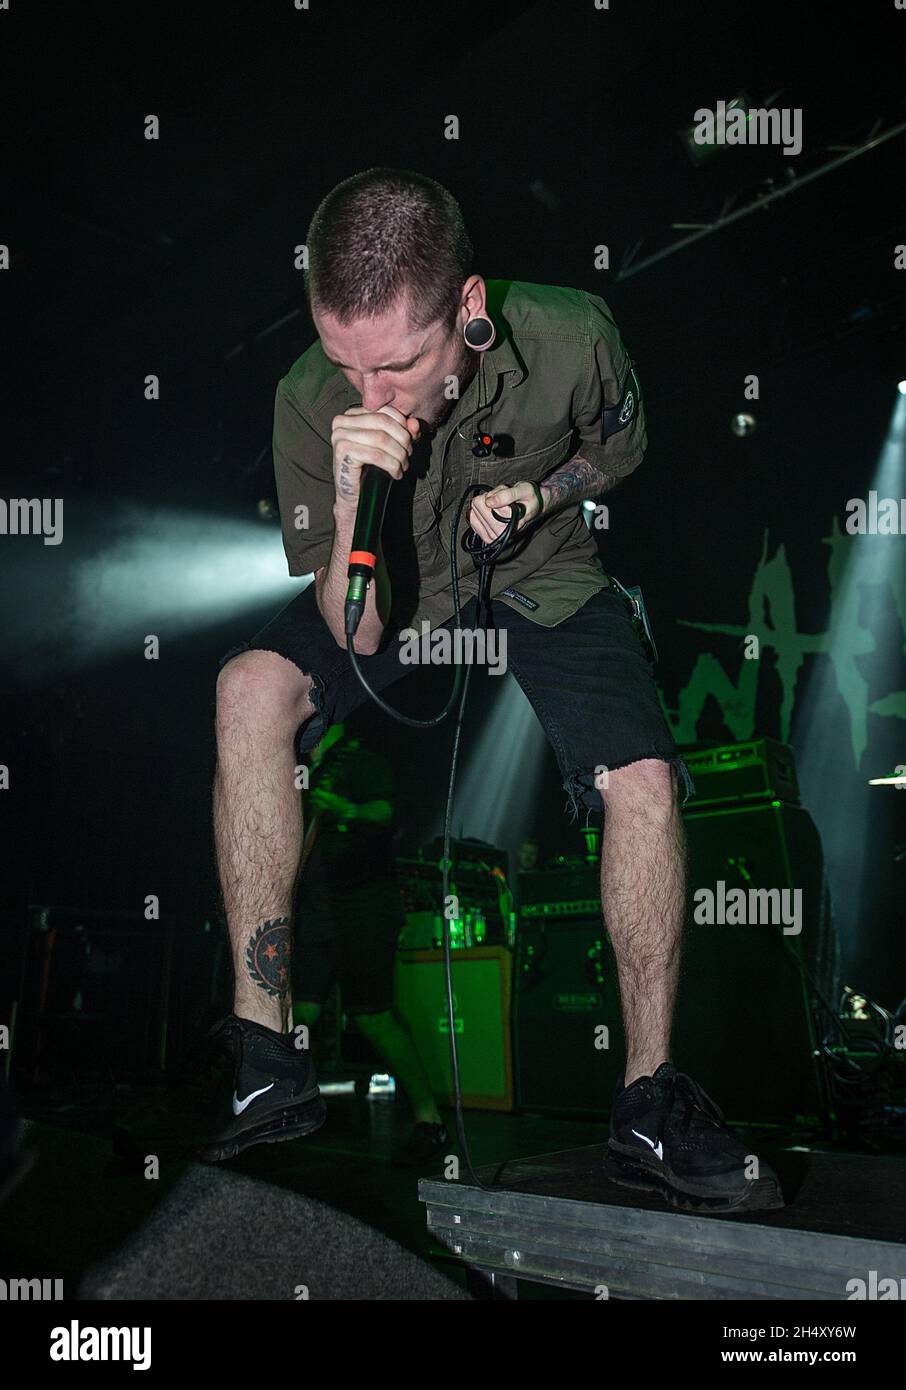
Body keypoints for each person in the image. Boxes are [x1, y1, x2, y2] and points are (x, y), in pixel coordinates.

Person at [209, 167, 781, 1209]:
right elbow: (361, 629)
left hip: (548, 569)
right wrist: (350, 503)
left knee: (643, 776)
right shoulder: (308, 399)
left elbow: (620, 447)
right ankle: (264, 1054)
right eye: (347, 363)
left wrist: (541, 489)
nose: (368, 397)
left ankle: (649, 1100)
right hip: (396, 581)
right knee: (249, 687)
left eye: (396, 366)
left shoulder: (573, 334)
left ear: (467, 309)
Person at [293, 721, 449, 1166]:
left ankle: (429, 1119)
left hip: (363, 907)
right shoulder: (305, 772)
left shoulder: (358, 761)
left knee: (374, 1017)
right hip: (316, 913)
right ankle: (288, 1109)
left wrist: (347, 808)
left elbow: (389, 812)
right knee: (300, 1014)